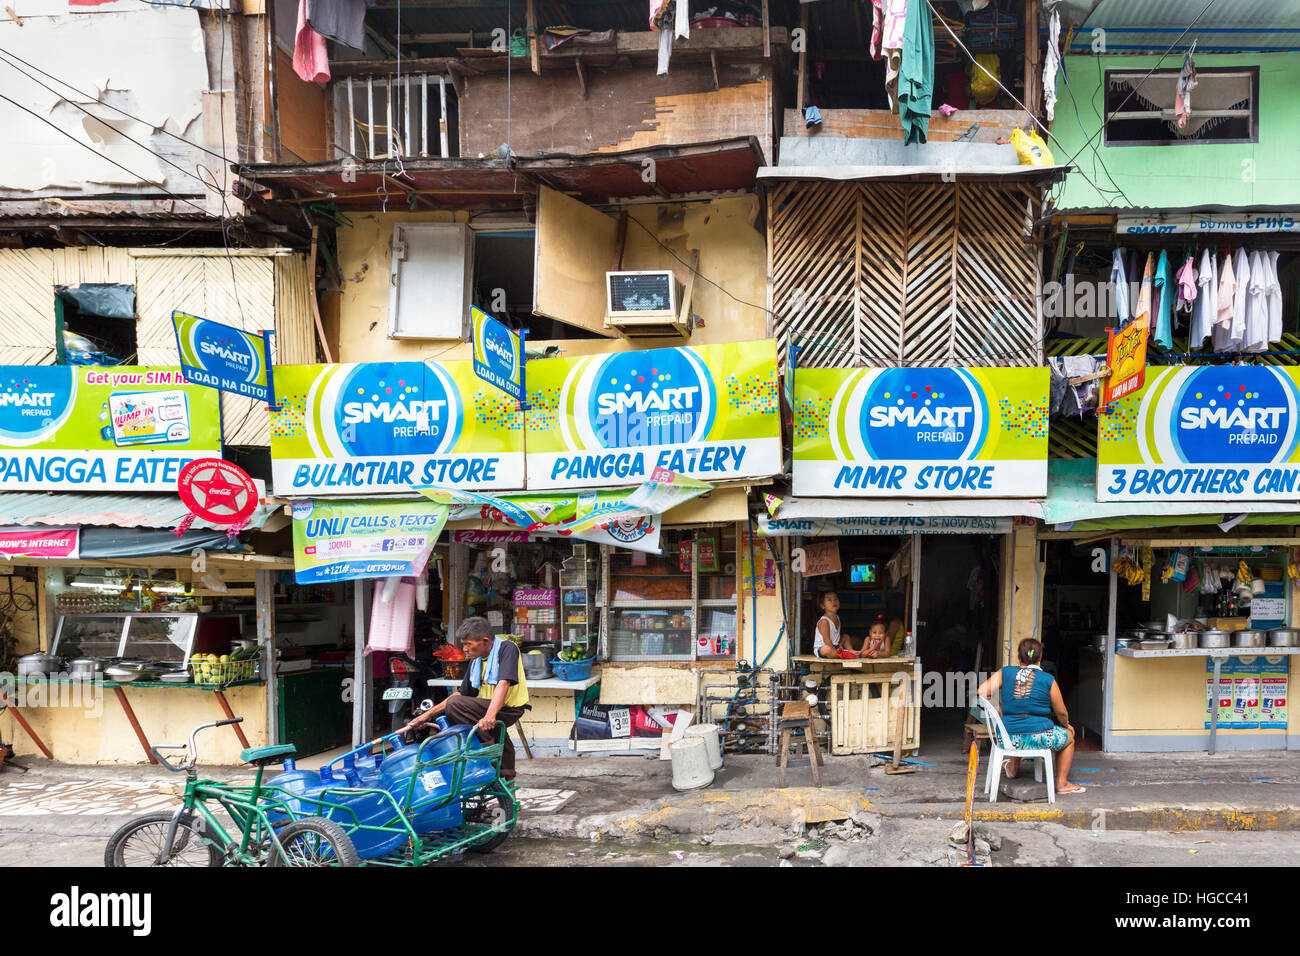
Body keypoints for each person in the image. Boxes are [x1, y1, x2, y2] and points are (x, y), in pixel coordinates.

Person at [397, 616, 530, 781]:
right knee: (499, 741)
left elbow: (503, 683)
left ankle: (484, 747)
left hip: (509, 708)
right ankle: (509, 797)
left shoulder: (506, 648)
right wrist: (426, 715)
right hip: (487, 708)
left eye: (468, 644)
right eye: (463, 644)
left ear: (485, 640)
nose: (465, 649)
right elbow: (462, 693)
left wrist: (490, 716)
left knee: (455, 706)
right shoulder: (476, 661)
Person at [975, 638, 1084, 795]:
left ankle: (1012, 768)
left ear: (1019, 657)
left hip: (1006, 737)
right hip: (1038, 738)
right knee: (1069, 737)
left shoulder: (1005, 672)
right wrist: (1066, 725)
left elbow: (981, 691)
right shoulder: (1048, 679)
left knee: (1018, 725)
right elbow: (1061, 712)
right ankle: (1062, 783)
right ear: (1040, 658)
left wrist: (997, 707)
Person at [812, 590, 859, 659]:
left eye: (835, 599)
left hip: (835, 645)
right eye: (829, 600)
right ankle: (843, 655)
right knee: (826, 649)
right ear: (822, 606)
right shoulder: (824, 621)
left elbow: (836, 638)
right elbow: (826, 640)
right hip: (823, 647)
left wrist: (839, 645)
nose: (833, 602)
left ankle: (850, 651)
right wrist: (835, 651)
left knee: (846, 637)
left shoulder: (837, 617)